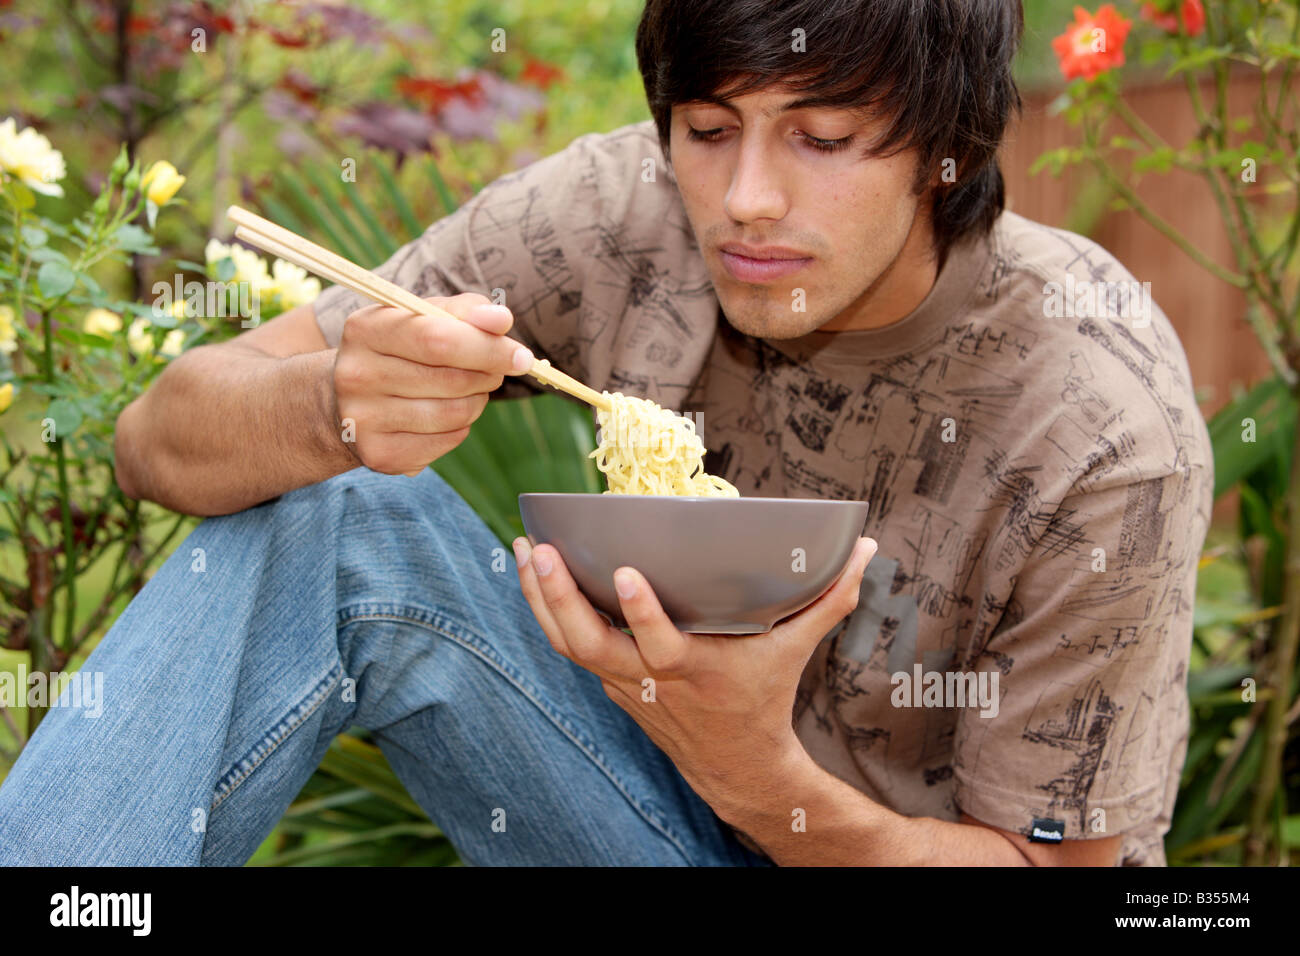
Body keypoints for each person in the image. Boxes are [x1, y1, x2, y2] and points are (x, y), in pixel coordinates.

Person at [0, 0, 1211, 866]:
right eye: (706, 125)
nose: (745, 199)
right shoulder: (618, 212)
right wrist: (330, 405)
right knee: (343, 507)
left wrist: (755, 768)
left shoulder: (1097, 417)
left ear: (949, 152)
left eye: (823, 138)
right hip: (633, 819)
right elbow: (156, 438)